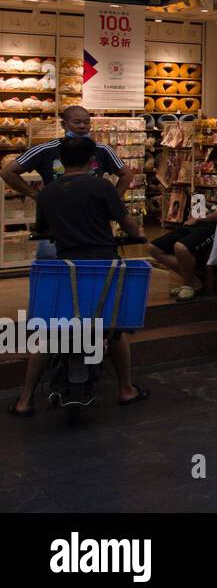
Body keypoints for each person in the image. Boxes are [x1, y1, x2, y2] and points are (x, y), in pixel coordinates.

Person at [8, 137, 147, 416]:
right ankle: (125, 389)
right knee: (115, 329)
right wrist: (136, 236)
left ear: (61, 159)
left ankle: (25, 399)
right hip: (102, 267)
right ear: (91, 160)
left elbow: (43, 229)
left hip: (66, 268)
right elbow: (126, 222)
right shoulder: (102, 187)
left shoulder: (47, 193)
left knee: (49, 330)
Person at [1, 105, 137, 259]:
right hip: (57, 228)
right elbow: (7, 172)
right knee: (56, 267)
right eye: (77, 122)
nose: (82, 126)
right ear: (63, 124)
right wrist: (35, 194)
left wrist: (114, 198)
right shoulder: (46, 149)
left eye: (86, 122)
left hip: (94, 226)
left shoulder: (101, 149)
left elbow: (126, 174)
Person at [148, 143, 217, 301]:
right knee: (153, 248)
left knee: (181, 248)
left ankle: (189, 283)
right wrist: (203, 207)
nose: (215, 170)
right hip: (206, 223)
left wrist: (201, 217)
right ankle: (192, 280)